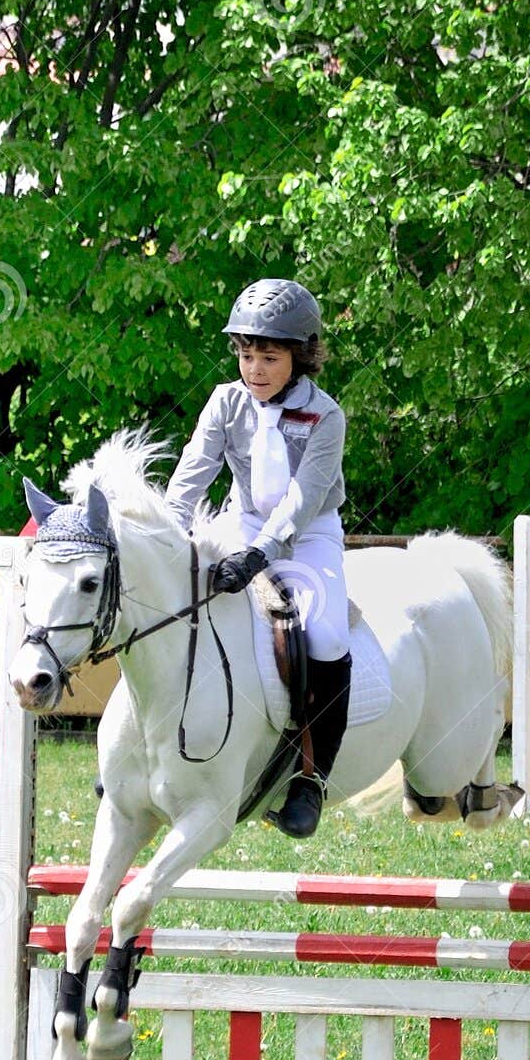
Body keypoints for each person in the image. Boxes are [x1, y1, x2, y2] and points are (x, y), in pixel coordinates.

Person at [165, 277, 353, 839]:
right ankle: (148, 751)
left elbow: (301, 503)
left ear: (300, 356)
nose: (255, 369)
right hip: (239, 521)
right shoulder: (226, 401)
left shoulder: (325, 416)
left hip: (310, 534)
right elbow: (190, 476)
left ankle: (311, 777)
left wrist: (257, 555)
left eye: (269, 357)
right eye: (247, 355)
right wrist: (173, 540)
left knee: (325, 636)